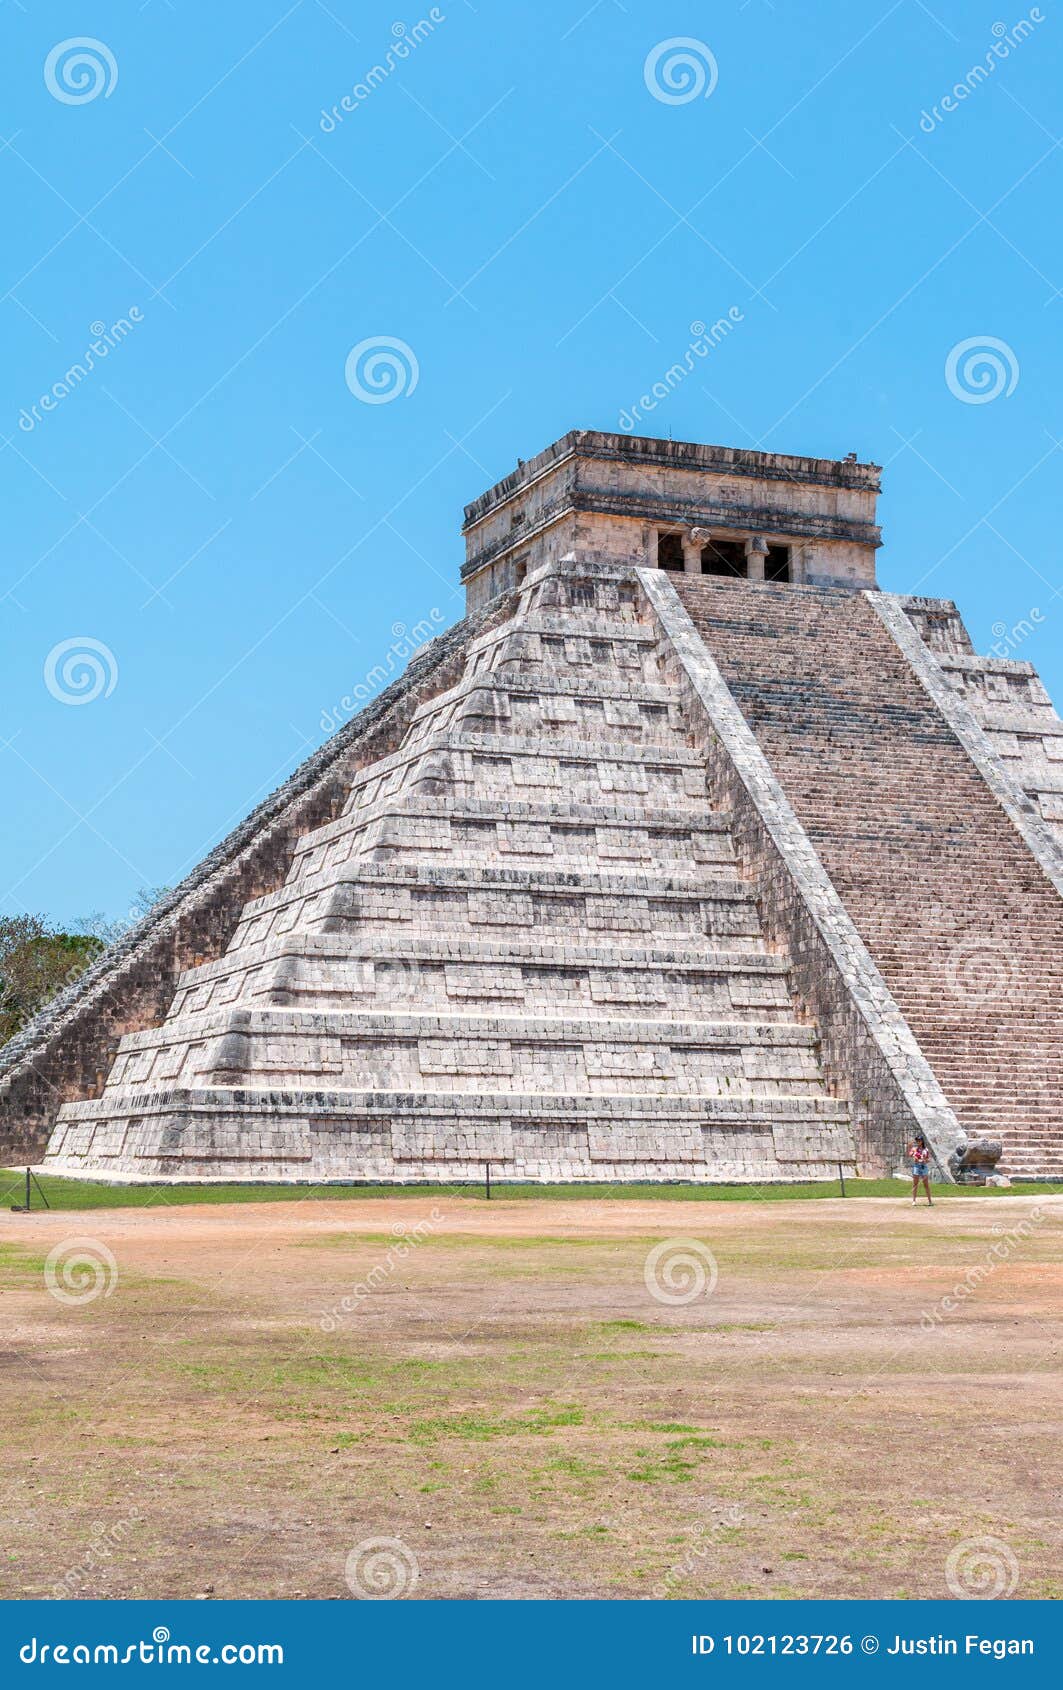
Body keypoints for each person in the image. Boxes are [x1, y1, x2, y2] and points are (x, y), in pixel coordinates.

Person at [908, 1134, 933, 1206]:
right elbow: (910, 1154)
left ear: (922, 1141)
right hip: (916, 1166)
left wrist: (925, 1160)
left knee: (926, 1185)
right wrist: (911, 1151)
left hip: (923, 1166)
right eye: (917, 1140)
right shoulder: (915, 1149)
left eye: (919, 1140)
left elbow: (928, 1159)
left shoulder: (926, 1150)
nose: (918, 1142)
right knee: (915, 1184)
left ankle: (930, 1201)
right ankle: (914, 1200)